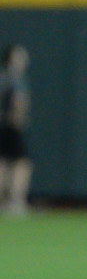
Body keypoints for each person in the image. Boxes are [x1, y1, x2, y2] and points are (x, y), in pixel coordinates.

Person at [0, 43, 32, 215]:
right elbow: (19, 100)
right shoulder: (16, 77)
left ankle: (3, 202)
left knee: (3, 162)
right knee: (22, 163)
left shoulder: (2, 75)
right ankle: (16, 201)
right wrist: (18, 119)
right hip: (11, 125)